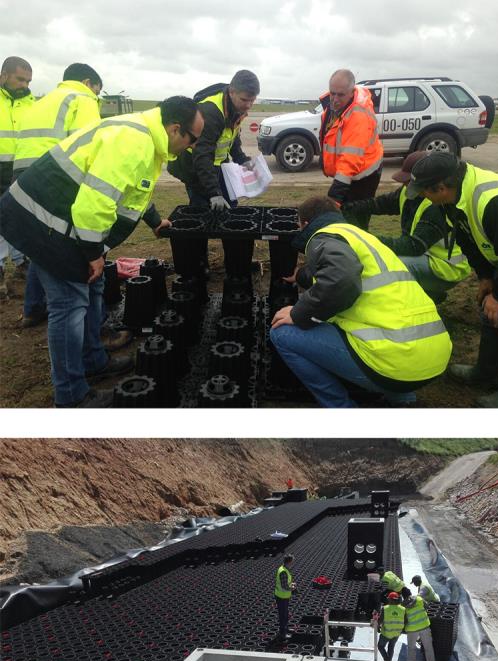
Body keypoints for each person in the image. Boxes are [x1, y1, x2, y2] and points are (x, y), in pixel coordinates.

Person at [0, 97, 203, 407]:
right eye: (192, 139)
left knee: (93, 286)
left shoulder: (148, 140)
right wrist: (93, 251)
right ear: (176, 129)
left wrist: (153, 220)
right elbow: (94, 205)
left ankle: (94, 361)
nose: (190, 148)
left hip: (61, 219)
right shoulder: (132, 141)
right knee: (69, 305)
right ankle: (71, 396)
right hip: (41, 222)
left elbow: (129, 190)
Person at [269, 196, 452, 408]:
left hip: (393, 365)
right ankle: (402, 398)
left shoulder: (322, 237)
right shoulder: (363, 238)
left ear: (305, 224)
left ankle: (342, 408)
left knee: (281, 334)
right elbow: (351, 274)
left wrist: (297, 313)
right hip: (433, 358)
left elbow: (342, 279)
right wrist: (302, 275)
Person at [406, 152, 498, 407]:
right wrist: (485, 278)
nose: (422, 197)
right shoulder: (453, 198)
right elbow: (467, 239)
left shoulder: (495, 203)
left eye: (424, 190)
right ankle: (486, 373)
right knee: (487, 309)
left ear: (441, 187)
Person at [12, 63, 104, 330]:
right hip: (55, 179)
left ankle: (33, 309)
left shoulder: (42, 102)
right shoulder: (83, 99)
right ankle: (91, 327)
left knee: (39, 246)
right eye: (97, 91)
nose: (97, 97)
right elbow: (89, 148)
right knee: (69, 250)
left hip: (24, 178)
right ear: (88, 82)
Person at [343, 150, 471, 303]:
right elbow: (381, 204)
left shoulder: (435, 206)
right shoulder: (409, 192)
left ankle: (417, 297)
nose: (404, 185)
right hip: (426, 258)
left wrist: (367, 241)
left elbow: (413, 246)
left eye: (408, 182)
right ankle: (428, 293)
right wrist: (350, 207)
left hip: (445, 268)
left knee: (391, 265)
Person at [167, 70, 259, 277]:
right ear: (232, 92)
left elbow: (231, 137)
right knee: (202, 216)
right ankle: (199, 265)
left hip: (218, 167)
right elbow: (202, 156)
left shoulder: (235, 109)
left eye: (252, 101)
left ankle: (235, 263)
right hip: (196, 168)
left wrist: (242, 159)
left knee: (230, 212)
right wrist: (213, 192)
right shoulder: (211, 112)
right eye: (245, 100)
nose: (248, 105)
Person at [319, 69, 383, 226]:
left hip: (364, 176)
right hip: (348, 173)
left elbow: (350, 160)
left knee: (355, 221)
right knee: (343, 218)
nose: (334, 99)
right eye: (332, 93)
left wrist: (334, 197)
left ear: (351, 91)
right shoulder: (334, 106)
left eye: (340, 95)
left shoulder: (358, 117)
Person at [0, 56, 34, 301]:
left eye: (28, 80)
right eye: (20, 79)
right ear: (4, 76)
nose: (25, 85)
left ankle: (22, 264)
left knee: (20, 218)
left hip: (21, 170)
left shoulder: (33, 105)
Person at [402, 587, 435, 661]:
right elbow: (427, 606)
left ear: (402, 596)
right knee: (428, 647)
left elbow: (404, 620)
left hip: (412, 630)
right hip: (424, 626)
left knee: (411, 649)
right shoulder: (419, 599)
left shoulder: (403, 606)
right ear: (410, 592)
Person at [376, 591, 405, 661]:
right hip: (397, 633)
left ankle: (386, 659)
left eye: (389, 598)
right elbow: (405, 620)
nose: (388, 599)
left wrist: (377, 626)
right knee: (391, 647)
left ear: (390, 599)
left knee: (380, 646)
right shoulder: (403, 609)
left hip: (386, 633)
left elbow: (380, 621)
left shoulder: (385, 608)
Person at [274, 554, 296, 640]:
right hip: (281, 597)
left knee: (286, 614)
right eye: (292, 562)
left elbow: (285, 583)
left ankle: (286, 629)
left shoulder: (284, 569)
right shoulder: (283, 571)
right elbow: (284, 586)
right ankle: (282, 633)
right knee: (283, 615)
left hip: (284, 596)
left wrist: (291, 584)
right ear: (289, 562)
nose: (292, 564)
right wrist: (292, 587)